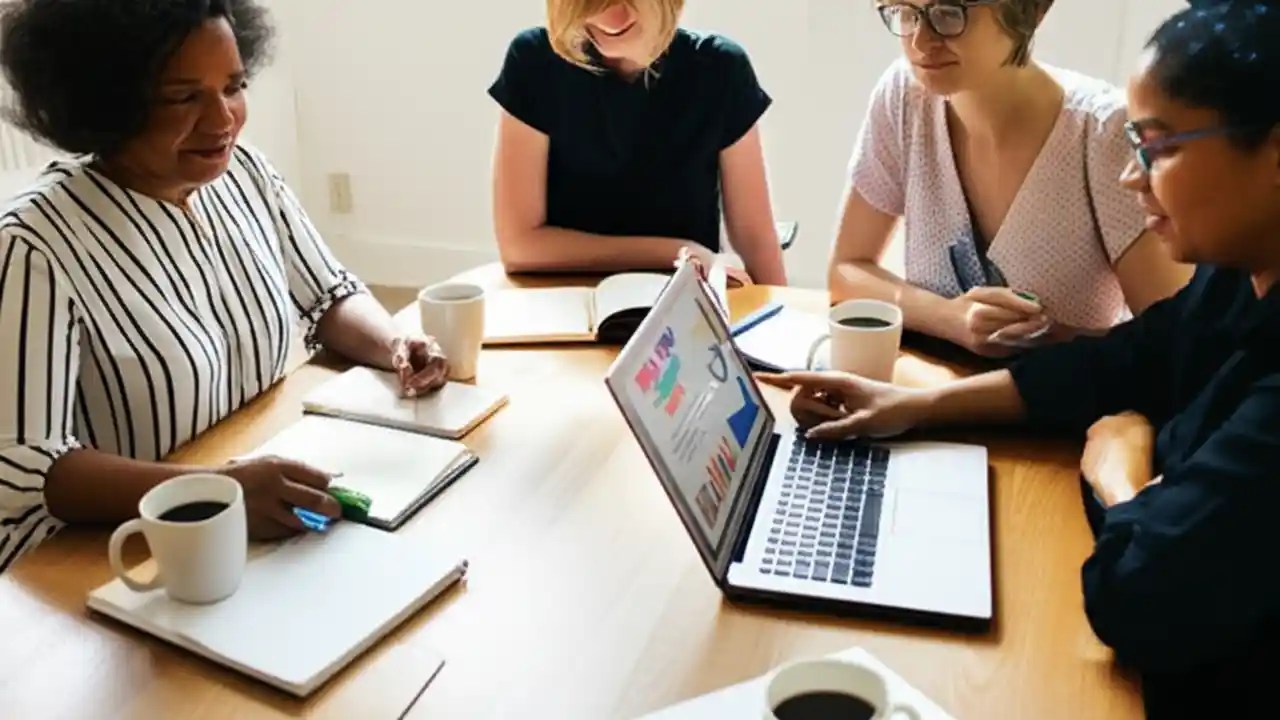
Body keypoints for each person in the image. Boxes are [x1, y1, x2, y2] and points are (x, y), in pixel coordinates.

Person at [774, 0, 1280, 712]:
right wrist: (915, 407)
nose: (1136, 179)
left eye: (1160, 148)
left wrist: (1121, 473)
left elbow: (1139, 595)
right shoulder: (1237, 277)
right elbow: (1125, 361)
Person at [0, 0, 449, 572]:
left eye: (233, 87)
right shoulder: (33, 246)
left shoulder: (246, 175)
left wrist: (392, 343)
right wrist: (212, 491)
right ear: (106, 102)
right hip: (127, 558)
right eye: (184, 97)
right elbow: (22, 465)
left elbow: (330, 295)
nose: (223, 120)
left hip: (261, 532)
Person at [831, 0, 1192, 358]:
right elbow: (846, 271)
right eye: (905, 12)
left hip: (1063, 411)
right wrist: (950, 319)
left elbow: (1171, 344)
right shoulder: (904, 96)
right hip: (922, 395)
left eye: (949, 12)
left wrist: (1049, 336)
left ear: (1030, 10)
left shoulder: (1103, 134)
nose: (920, 41)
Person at [488, 0, 788, 285]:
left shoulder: (721, 68)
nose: (612, 17)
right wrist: (677, 251)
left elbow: (755, 239)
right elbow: (519, 246)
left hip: (681, 310)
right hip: (559, 305)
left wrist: (785, 322)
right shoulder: (534, 60)